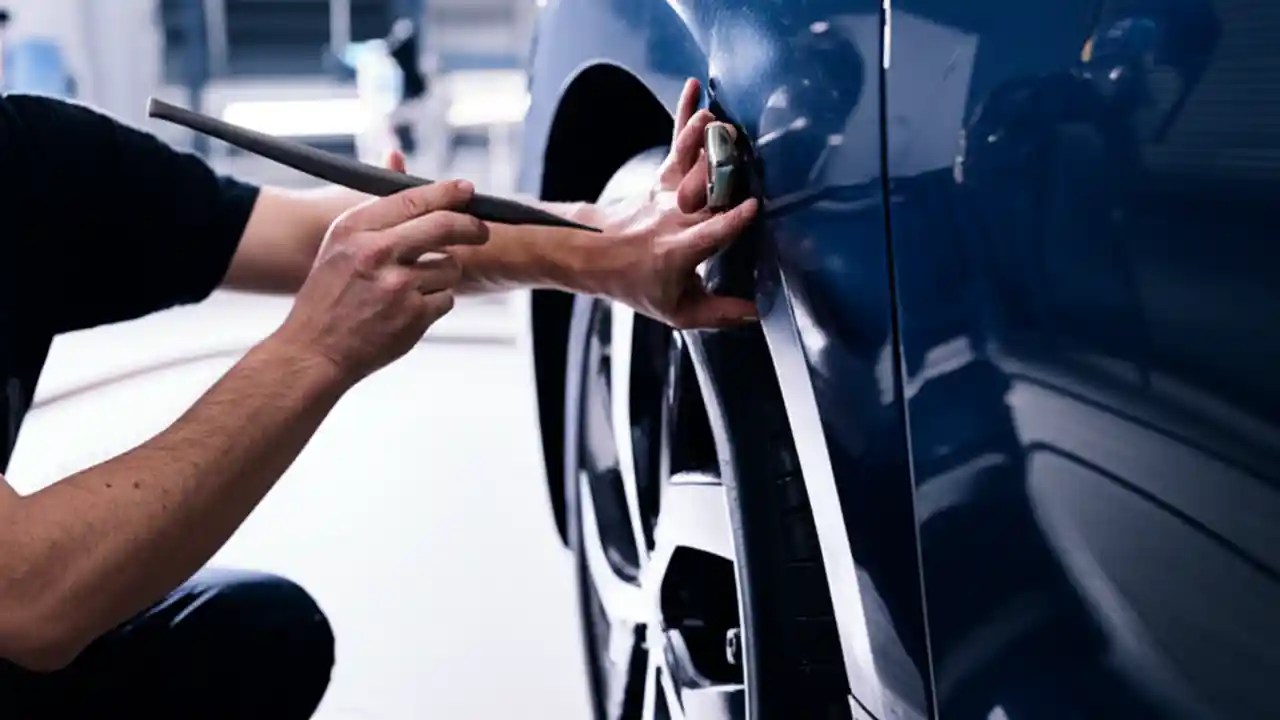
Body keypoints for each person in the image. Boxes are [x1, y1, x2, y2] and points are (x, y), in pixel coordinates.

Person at [0, 78, 755, 717]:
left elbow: (311, 237)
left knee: (255, 636)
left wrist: (608, 245)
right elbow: (30, 598)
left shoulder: (28, 162)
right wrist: (316, 349)